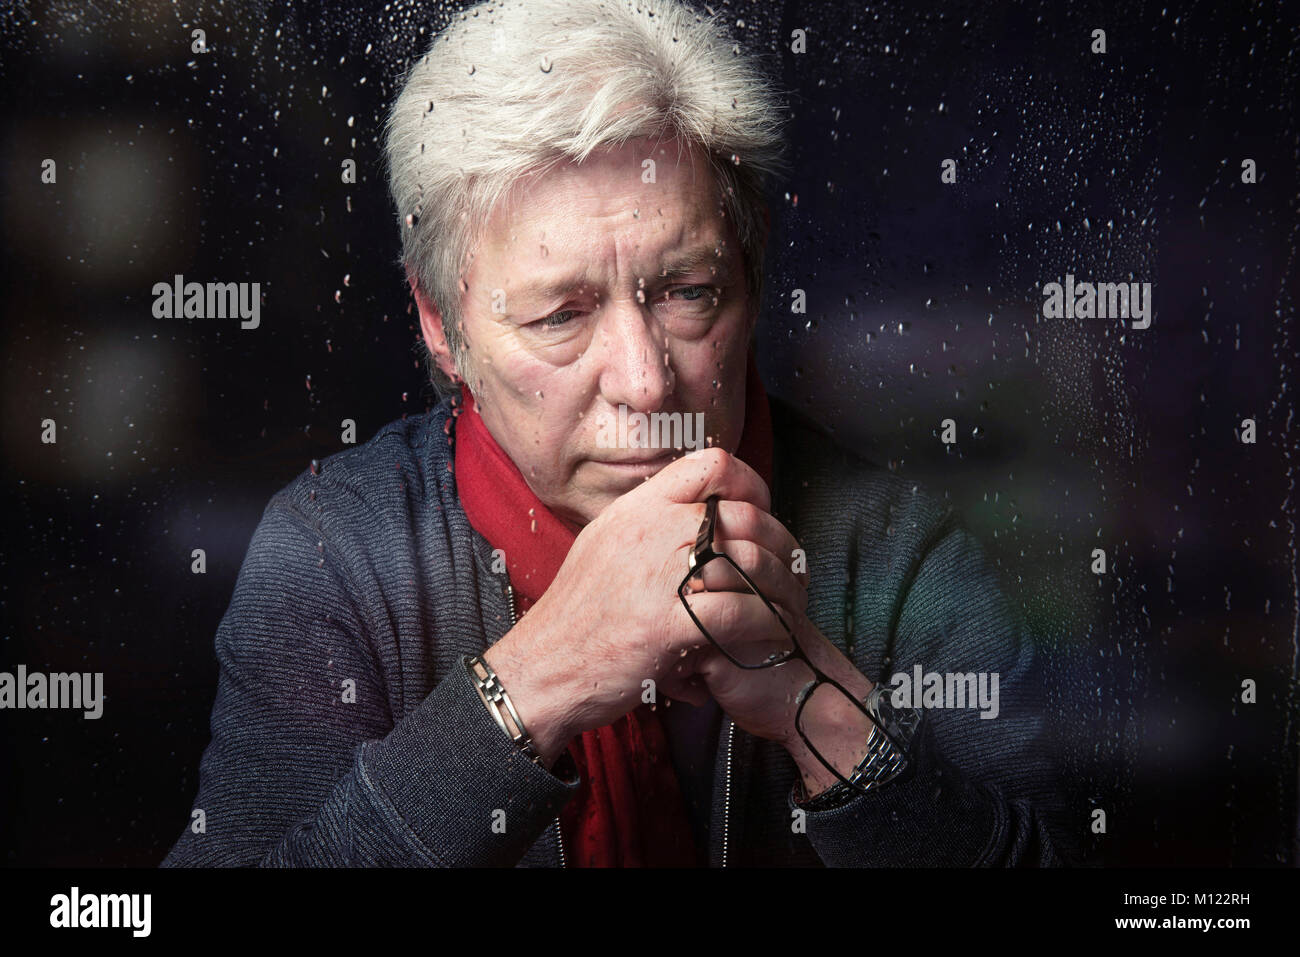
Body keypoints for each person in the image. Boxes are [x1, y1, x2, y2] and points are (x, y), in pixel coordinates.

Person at [162, 0, 1075, 868]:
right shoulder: (334, 551)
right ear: (442, 322)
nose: (645, 382)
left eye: (687, 293)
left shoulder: (904, 550)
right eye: (561, 315)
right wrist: (534, 683)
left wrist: (818, 710)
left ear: (751, 268)